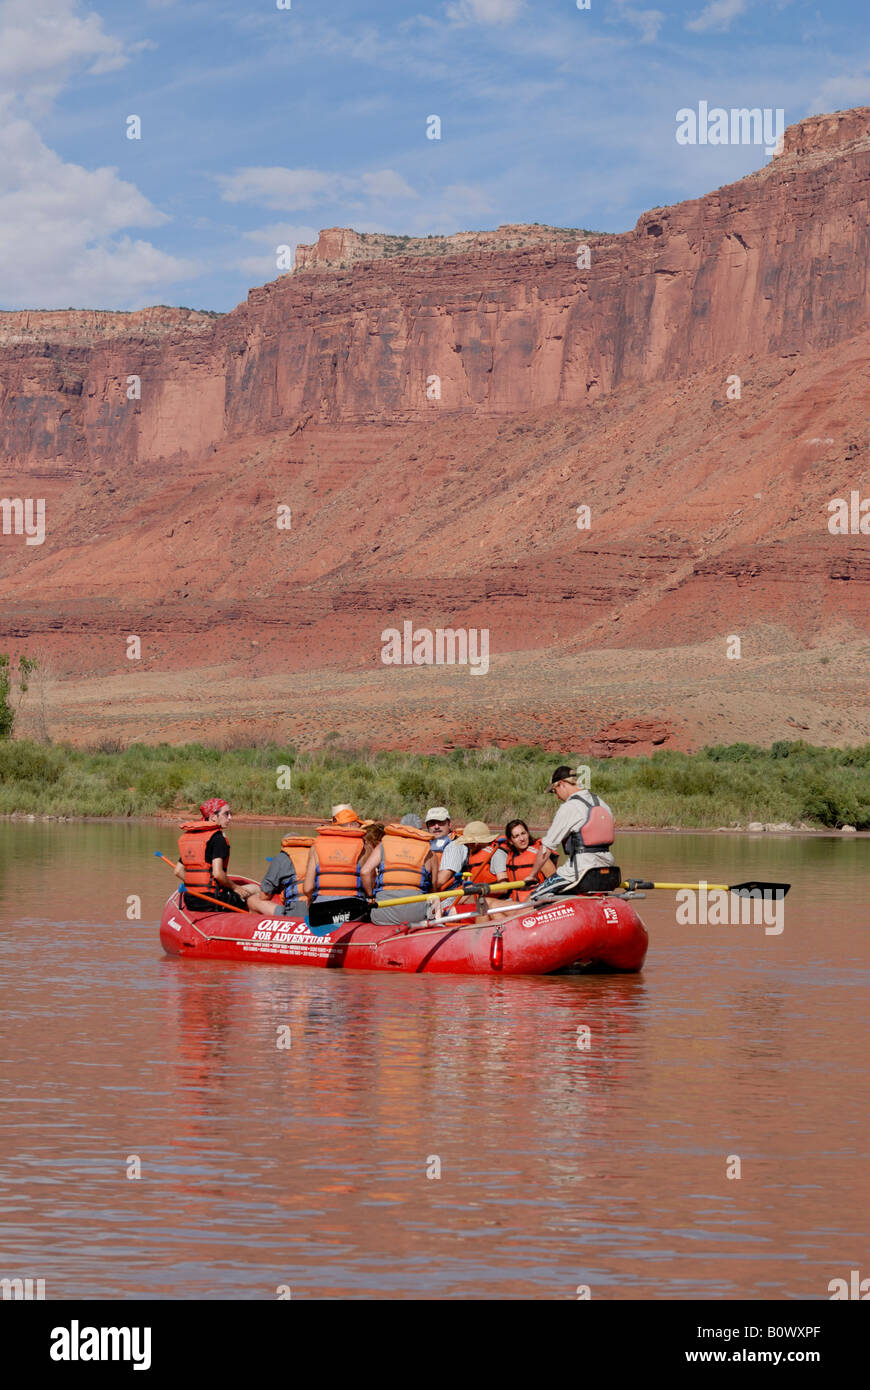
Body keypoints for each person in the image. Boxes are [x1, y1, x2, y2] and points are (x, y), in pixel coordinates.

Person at [524, 766, 620, 898]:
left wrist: (532, 875)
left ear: (562, 784)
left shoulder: (570, 807)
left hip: (579, 873)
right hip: (607, 871)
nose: (557, 797)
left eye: (554, 791)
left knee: (533, 897)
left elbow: (546, 848)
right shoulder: (602, 803)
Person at [175, 799, 263, 913]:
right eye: (226, 814)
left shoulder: (191, 837)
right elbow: (217, 874)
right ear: (213, 817)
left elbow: (178, 871)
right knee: (255, 888)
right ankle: (252, 922)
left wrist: (196, 885)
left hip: (191, 900)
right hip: (213, 901)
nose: (230, 817)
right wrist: (235, 887)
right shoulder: (218, 838)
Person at [361, 813, 437, 927]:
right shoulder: (430, 853)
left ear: (400, 828)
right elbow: (434, 887)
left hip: (383, 914)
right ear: (420, 830)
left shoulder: (384, 844)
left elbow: (365, 872)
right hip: (416, 915)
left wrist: (370, 896)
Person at [303, 805, 370, 929]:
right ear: (351, 825)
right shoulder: (363, 847)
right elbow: (369, 883)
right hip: (352, 911)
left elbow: (307, 888)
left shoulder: (316, 845)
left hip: (322, 910)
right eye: (358, 824)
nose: (360, 828)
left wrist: (311, 899)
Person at [434, 820, 500, 910]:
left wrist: (479, 888)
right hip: (476, 898)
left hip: (491, 902)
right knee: (440, 908)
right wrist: (449, 905)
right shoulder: (472, 855)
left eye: (472, 842)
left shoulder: (497, 854)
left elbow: (504, 887)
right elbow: (469, 887)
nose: (468, 845)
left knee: (450, 910)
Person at [492, 819, 557, 902]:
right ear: (511, 841)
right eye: (516, 836)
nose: (522, 838)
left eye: (523, 833)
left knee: (491, 904)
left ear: (528, 833)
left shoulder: (539, 855)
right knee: (487, 902)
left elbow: (555, 882)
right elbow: (504, 886)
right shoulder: (510, 857)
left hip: (536, 902)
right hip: (517, 901)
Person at [255, 835, 312, 918]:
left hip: (298, 911)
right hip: (319, 907)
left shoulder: (282, 857)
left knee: (252, 900)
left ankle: (253, 926)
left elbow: (264, 896)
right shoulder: (316, 855)